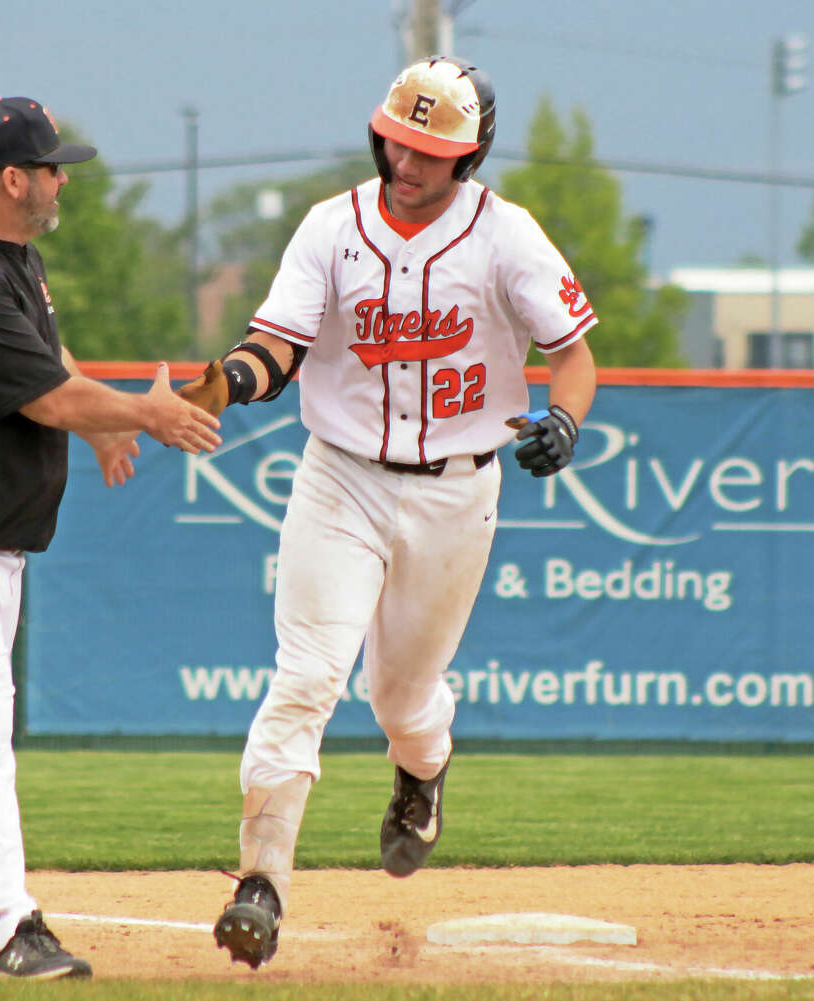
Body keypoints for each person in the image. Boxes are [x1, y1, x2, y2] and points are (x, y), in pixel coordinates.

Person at [176, 57, 597, 969]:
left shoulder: (508, 237)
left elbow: (574, 353)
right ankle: (261, 883)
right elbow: (276, 344)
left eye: (430, 151)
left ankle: (422, 771)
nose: (407, 164)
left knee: (400, 696)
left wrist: (564, 419)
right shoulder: (333, 226)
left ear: (470, 157)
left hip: (457, 487)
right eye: (398, 142)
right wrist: (224, 385)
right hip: (342, 478)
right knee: (307, 675)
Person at [0, 95, 221, 981]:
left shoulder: (14, 257)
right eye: (54, 165)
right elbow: (48, 399)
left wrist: (106, 422)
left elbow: (52, 371)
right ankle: (12, 925)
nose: (64, 177)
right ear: (12, 179)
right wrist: (144, 412)